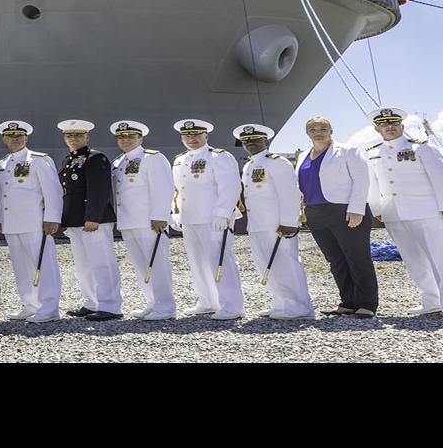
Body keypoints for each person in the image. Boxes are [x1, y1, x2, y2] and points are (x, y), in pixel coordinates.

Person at [364, 108, 443, 319]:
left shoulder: (421, 148)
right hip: (394, 214)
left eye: (394, 123)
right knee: (414, 261)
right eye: (384, 124)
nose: (389, 127)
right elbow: (372, 184)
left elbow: (442, 177)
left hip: (426, 212)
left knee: (441, 259)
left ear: (401, 126)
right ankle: (432, 301)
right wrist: (377, 209)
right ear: (377, 129)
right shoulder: (372, 153)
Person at [297, 117, 378, 318]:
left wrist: (357, 209)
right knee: (335, 259)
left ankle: (367, 303)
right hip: (315, 212)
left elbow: (361, 180)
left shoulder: (348, 151)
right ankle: (348, 302)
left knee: (357, 257)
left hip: (345, 210)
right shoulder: (303, 156)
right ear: (307, 133)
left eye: (323, 128)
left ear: (331, 130)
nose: (318, 132)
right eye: (313, 129)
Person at [234, 124, 315, 320]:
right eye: (246, 140)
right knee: (266, 264)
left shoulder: (277, 162)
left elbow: (290, 193)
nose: (250, 143)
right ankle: (280, 302)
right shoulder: (249, 165)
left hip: (277, 224)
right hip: (258, 223)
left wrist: (289, 221)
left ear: (266, 141)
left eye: (255, 139)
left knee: (286, 264)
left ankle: (300, 307)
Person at [170, 119, 244, 320]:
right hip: (190, 218)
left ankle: (232, 306)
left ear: (206, 136)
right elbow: (177, 189)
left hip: (213, 219)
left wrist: (222, 213)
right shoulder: (180, 160)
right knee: (198, 263)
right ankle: (207, 301)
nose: (191, 139)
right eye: (187, 136)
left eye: (196, 135)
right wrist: (176, 213)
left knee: (221, 261)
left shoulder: (219, 156)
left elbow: (230, 186)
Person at [0, 121, 63, 323]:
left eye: (19, 135)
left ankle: (49, 308)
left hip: (35, 223)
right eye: (11, 136)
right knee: (21, 267)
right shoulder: (3, 163)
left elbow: (53, 191)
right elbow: (3, 195)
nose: (15, 139)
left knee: (44, 265)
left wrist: (52, 218)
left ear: (26, 138)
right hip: (12, 223)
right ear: (4, 139)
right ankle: (30, 304)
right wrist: (0, 219)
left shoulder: (39, 160)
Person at [57, 120, 124, 322]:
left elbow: (99, 190)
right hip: (75, 220)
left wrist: (93, 217)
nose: (74, 138)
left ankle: (110, 306)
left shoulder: (95, 158)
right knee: (83, 266)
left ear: (87, 137)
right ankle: (91, 302)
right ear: (64, 138)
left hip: (94, 220)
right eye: (69, 135)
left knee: (102, 262)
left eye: (78, 135)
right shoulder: (68, 160)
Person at [110, 121, 176, 320]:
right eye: (122, 137)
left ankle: (166, 307)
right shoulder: (119, 162)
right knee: (141, 266)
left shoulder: (153, 158)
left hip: (150, 222)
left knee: (157, 264)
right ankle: (153, 302)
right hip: (128, 221)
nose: (126, 140)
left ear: (141, 138)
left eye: (131, 136)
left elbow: (163, 187)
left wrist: (160, 216)